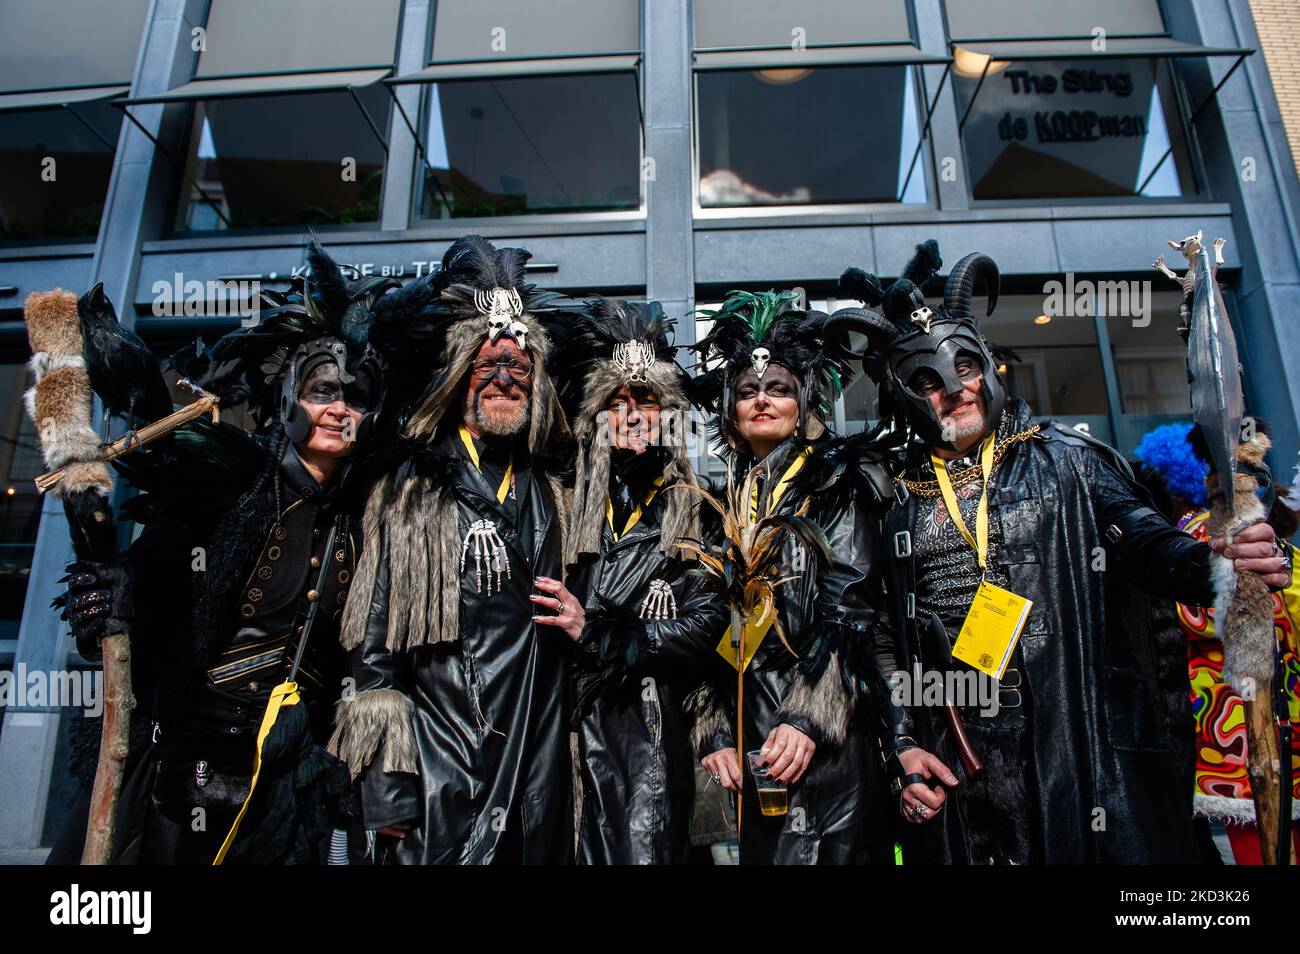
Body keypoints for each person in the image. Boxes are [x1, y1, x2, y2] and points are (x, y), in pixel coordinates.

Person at [846, 240, 1291, 864]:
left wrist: (1218, 566)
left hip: (1071, 732)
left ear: (990, 368)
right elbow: (877, 629)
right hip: (957, 745)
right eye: (927, 382)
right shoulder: (889, 496)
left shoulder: (1069, 460)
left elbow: (1142, 544)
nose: (954, 391)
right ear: (903, 397)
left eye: (965, 369)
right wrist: (902, 739)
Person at [55, 240, 421, 863]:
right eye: (323, 390)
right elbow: (149, 593)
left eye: (356, 396)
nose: (339, 408)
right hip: (189, 767)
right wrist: (115, 599)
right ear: (288, 400)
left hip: (289, 782)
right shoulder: (227, 487)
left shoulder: (369, 518)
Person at [327, 235, 578, 864]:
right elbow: (374, 642)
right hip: (442, 763)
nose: (503, 379)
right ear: (458, 374)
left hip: (534, 764)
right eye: (487, 365)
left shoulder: (554, 491)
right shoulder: (408, 488)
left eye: (519, 368)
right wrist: (386, 788)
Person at [687, 289, 897, 865]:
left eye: (778, 389)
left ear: (804, 404)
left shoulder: (838, 484)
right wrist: (712, 732)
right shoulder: (718, 504)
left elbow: (851, 610)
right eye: (748, 391)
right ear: (729, 410)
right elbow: (708, 630)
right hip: (750, 735)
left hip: (831, 737)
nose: (761, 400)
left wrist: (808, 715)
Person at [531, 295, 722, 864]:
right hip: (556, 737)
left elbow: (708, 621)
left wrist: (600, 632)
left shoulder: (695, 507)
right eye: (617, 401)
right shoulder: (555, 496)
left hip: (651, 737)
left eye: (647, 400)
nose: (634, 413)